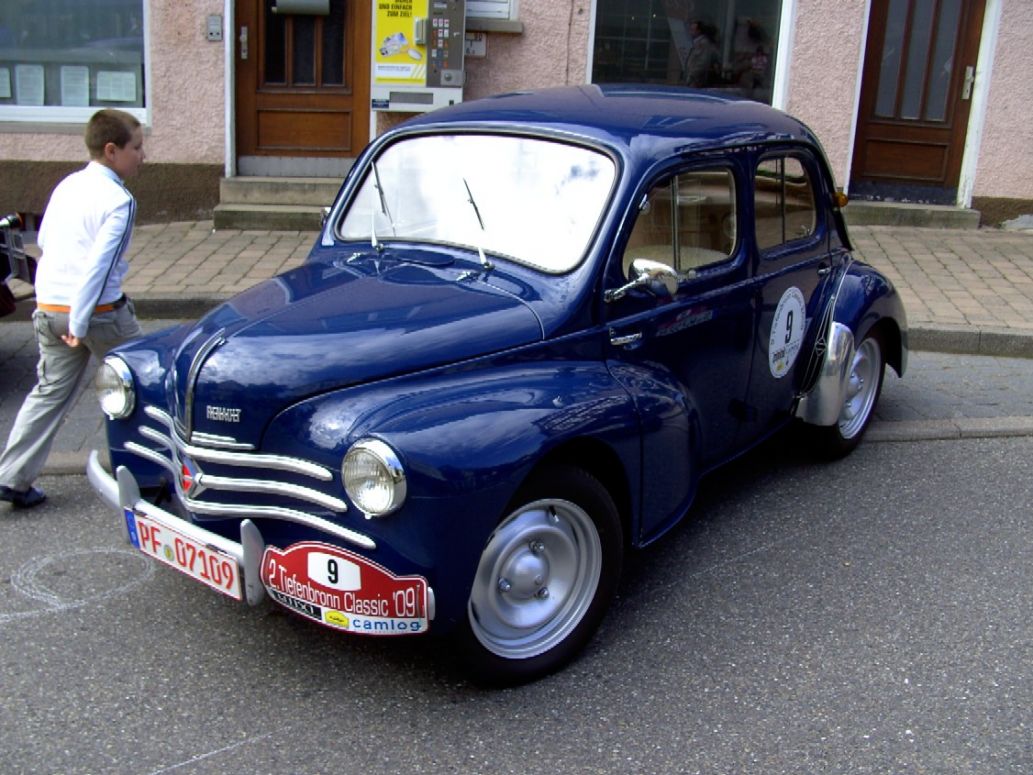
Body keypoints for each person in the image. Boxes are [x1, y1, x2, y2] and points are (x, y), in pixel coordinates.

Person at [0, 108, 145, 509]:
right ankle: (147, 477)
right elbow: (99, 267)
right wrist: (79, 324)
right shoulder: (119, 200)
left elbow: (46, 241)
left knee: (48, 393)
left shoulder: (67, 185)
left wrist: (61, 312)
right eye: (137, 147)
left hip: (49, 307)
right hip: (98, 315)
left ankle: (12, 477)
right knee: (142, 385)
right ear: (112, 150)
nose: (142, 156)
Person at [684, 20, 720, 88]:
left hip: (697, 81)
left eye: (692, 30)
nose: (690, 32)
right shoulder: (697, 43)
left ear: (698, 31)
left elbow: (702, 63)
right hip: (693, 78)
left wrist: (692, 76)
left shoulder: (703, 44)